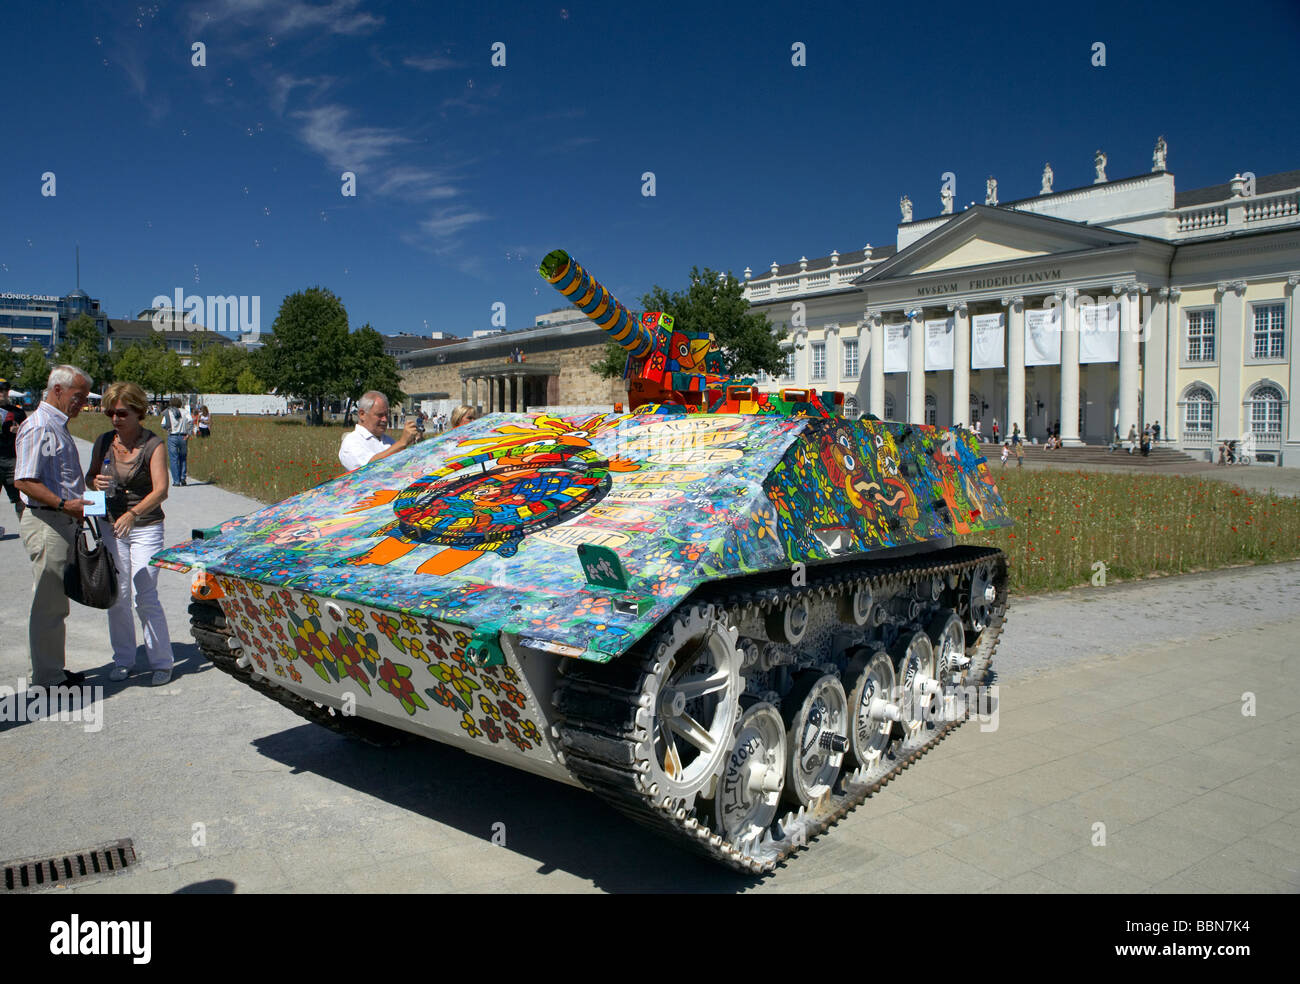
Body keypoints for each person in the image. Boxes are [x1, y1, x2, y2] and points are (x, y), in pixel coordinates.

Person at [87, 382, 175, 686]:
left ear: (139, 412)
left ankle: (161, 661)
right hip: (111, 526)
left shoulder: (153, 444)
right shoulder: (103, 443)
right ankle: (123, 658)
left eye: (122, 412)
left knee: (144, 594)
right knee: (118, 595)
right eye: (110, 412)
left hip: (145, 526)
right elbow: (90, 479)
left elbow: (162, 489)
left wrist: (133, 513)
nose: (115, 418)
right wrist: (95, 483)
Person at [13, 365, 92, 689]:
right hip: (49, 520)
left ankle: (52, 670)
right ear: (57, 390)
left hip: (60, 519)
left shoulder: (55, 424)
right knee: (48, 602)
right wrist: (63, 504)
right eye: (78, 396)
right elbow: (24, 479)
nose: (82, 404)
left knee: (56, 601)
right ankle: (47, 678)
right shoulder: (41, 426)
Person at [339, 390, 420, 471]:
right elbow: (368, 468)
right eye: (380, 415)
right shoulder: (351, 442)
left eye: (386, 415)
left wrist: (418, 443)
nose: (385, 419)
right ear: (362, 414)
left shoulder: (387, 440)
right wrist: (402, 442)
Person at [1, 377, 29, 531]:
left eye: (4, 390)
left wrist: (19, 431)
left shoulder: (17, 412)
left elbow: (30, 435)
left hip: (13, 459)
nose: (2, 393)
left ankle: (26, 528)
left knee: (19, 497)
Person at [160, 397, 194, 485]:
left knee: (173, 458)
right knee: (183, 457)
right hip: (183, 436)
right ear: (180, 403)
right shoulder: (185, 412)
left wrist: (169, 428)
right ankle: (183, 477)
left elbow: (163, 424)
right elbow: (190, 421)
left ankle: (176, 480)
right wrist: (188, 433)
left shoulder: (168, 412)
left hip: (173, 436)